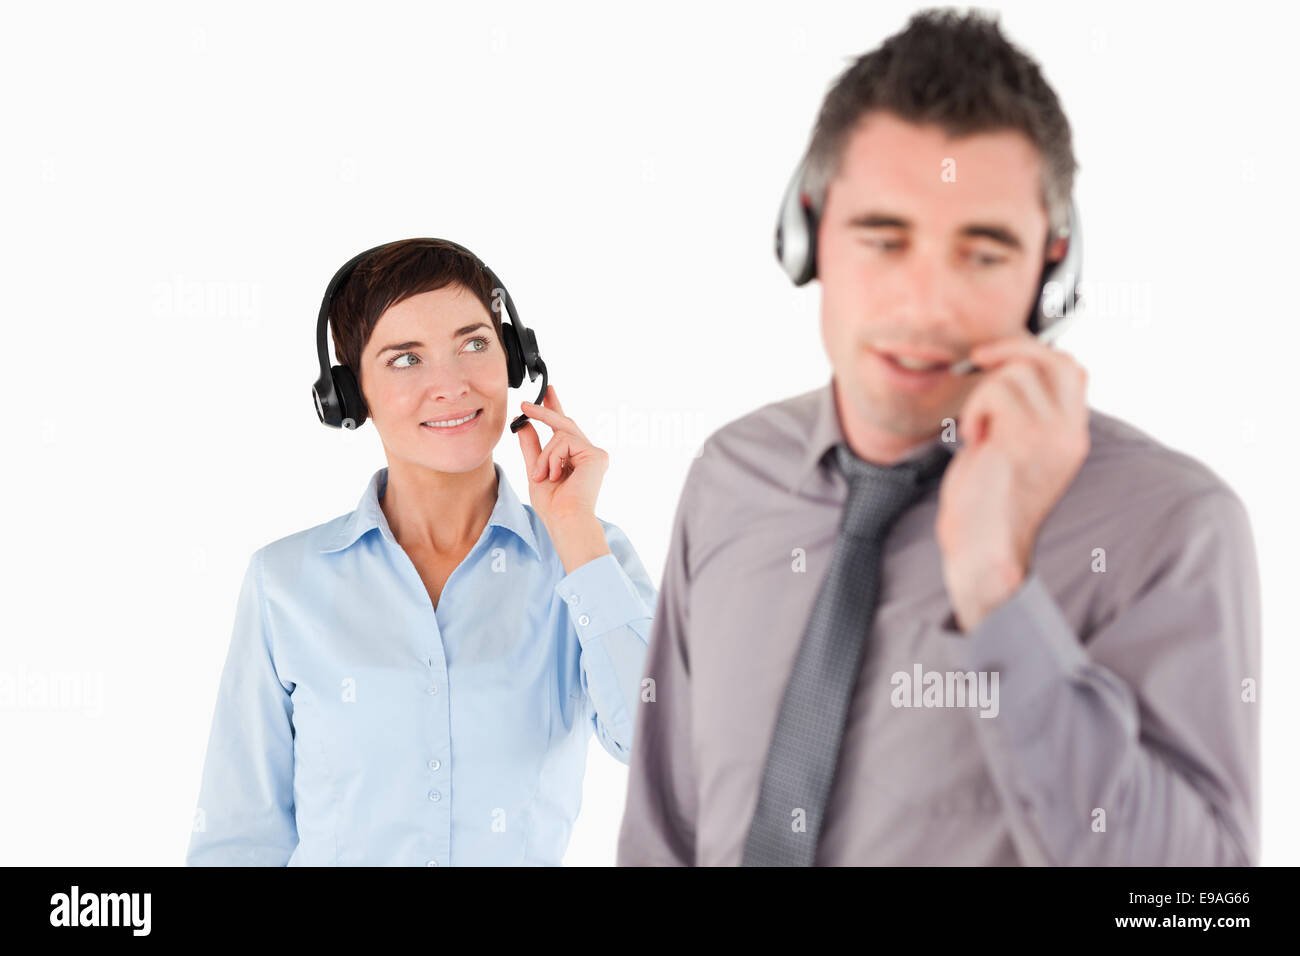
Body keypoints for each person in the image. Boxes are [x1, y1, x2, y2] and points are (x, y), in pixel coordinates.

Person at [617, 9, 1260, 866]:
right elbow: (666, 833)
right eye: (884, 240)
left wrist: (997, 590)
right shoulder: (733, 475)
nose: (925, 305)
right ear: (807, 232)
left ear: (1052, 273)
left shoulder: (1169, 525)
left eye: (984, 253)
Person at [187, 238, 656, 866]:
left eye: (474, 344)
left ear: (514, 358)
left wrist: (575, 531)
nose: (451, 385)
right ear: (351, 398)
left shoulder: (587, 554)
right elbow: (239, 841)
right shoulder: (284, 583)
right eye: (405, 359)